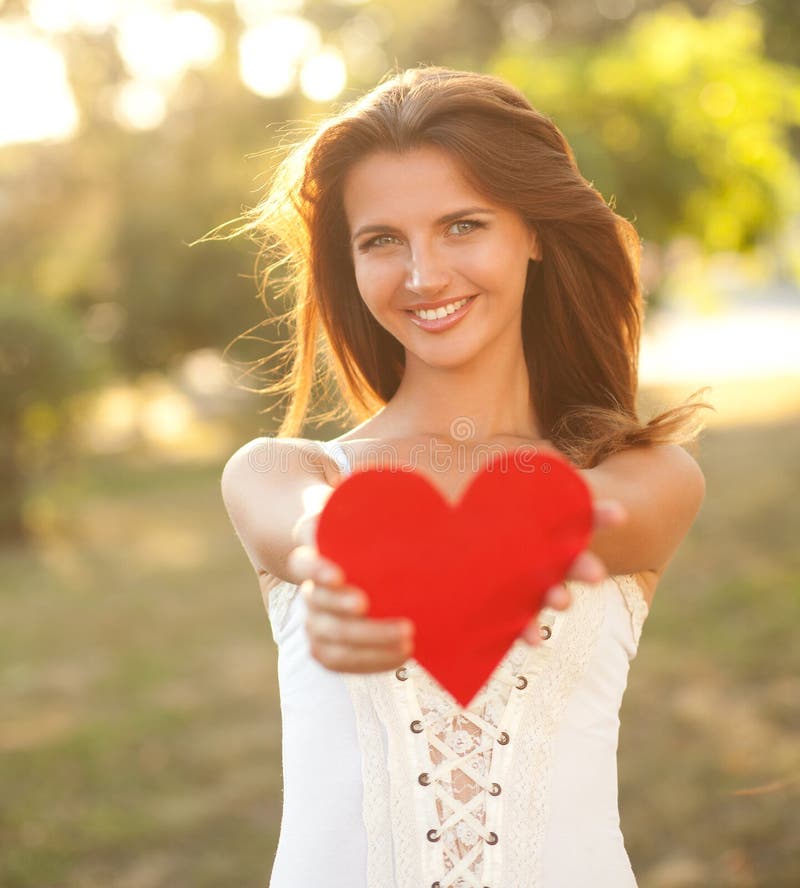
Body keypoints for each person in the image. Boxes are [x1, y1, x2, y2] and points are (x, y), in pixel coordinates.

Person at [218, 65, 713, 888]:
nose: (424, 276)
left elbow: (582, 515)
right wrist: (335, 565)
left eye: (462, 225)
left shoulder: (648, 476)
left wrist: (512, 538)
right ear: (349, 263)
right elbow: (305, 524)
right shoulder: (283, 472)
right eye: (382, 240)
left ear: (536, 231)